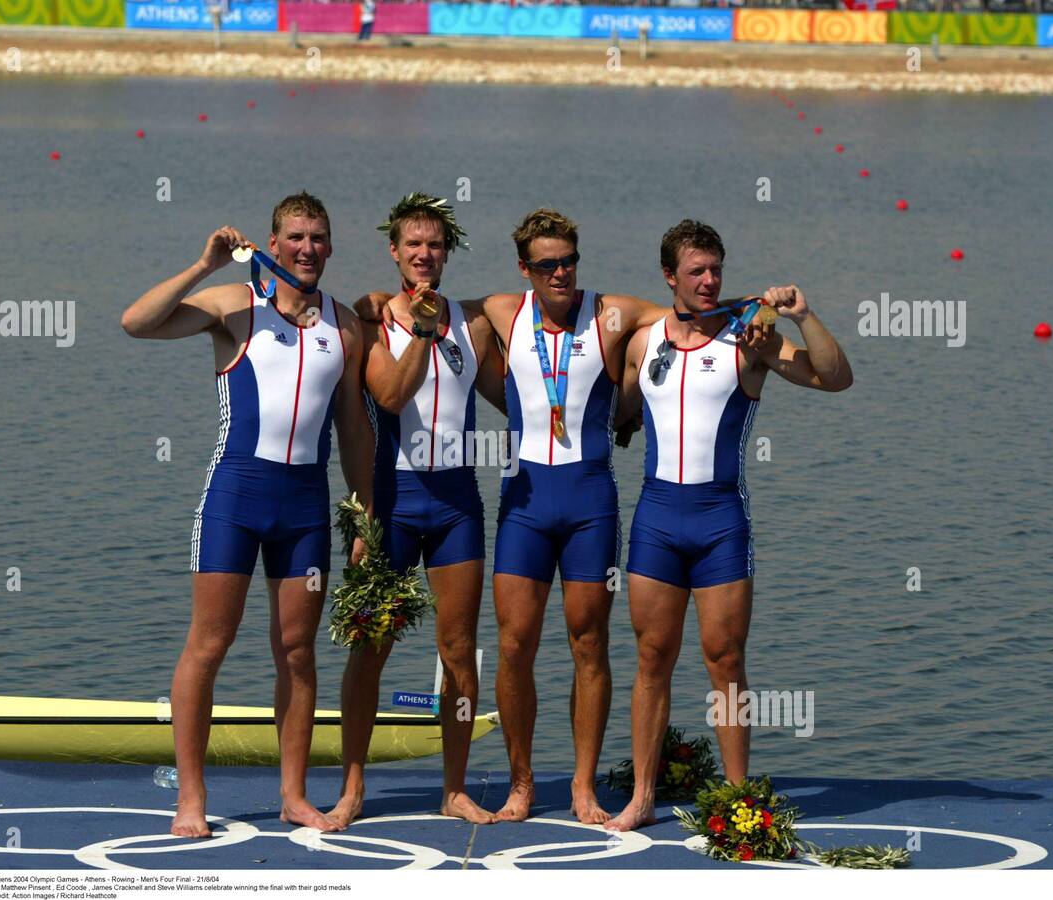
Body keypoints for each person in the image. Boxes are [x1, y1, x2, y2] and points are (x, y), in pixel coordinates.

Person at [121, 191, 375, 837]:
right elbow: (137, 322)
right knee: (209, 644)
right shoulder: (238, 306)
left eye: (318, 238)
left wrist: (366, 511)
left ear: (330, 247)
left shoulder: (343, 326)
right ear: (272, 242)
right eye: (295, 237)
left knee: (297, 651)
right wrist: (204, 264)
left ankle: (293, 795)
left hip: (306, 510)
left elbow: (353, 430)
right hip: (236, 498)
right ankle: (191, 799)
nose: (307, 248)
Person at [605, 219, 852, 832]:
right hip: (656, 520)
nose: (710, 280)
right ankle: (641, 796)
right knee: (652, 657)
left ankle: (738, 801)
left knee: (726, 660)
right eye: (697, 271)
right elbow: (624, 409)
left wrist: (803, 315)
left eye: (716, 269)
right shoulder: (644, 343)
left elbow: (835, 377)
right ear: (671, 277)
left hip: (720, 522)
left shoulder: (750, 342)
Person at [468, 209, 669, 824]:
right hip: (525, 504)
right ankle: (521, 784)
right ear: (525, 268)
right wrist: (370, 306)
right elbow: (431, 309)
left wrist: (759, 308)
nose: (561, 272)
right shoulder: (503, 311)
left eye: (569, 261)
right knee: (513, 645)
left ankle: (583, 786)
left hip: (589, 505)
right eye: (548, 264)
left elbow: (691, 311)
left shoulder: (613, 313)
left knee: (589, 643)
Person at [330, 194, 508, 828]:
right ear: (395, 252)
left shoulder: (473, 322)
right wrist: (421, 331)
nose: (425, 254)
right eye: (414, 245)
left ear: (446, 252)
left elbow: (515, 400)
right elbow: (390, 393)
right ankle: (352, 788)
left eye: (435, 245)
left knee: (459, 650)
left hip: (457, 503)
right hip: (394, 504)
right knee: (369, 647)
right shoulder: (374, 320)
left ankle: (454, 787)